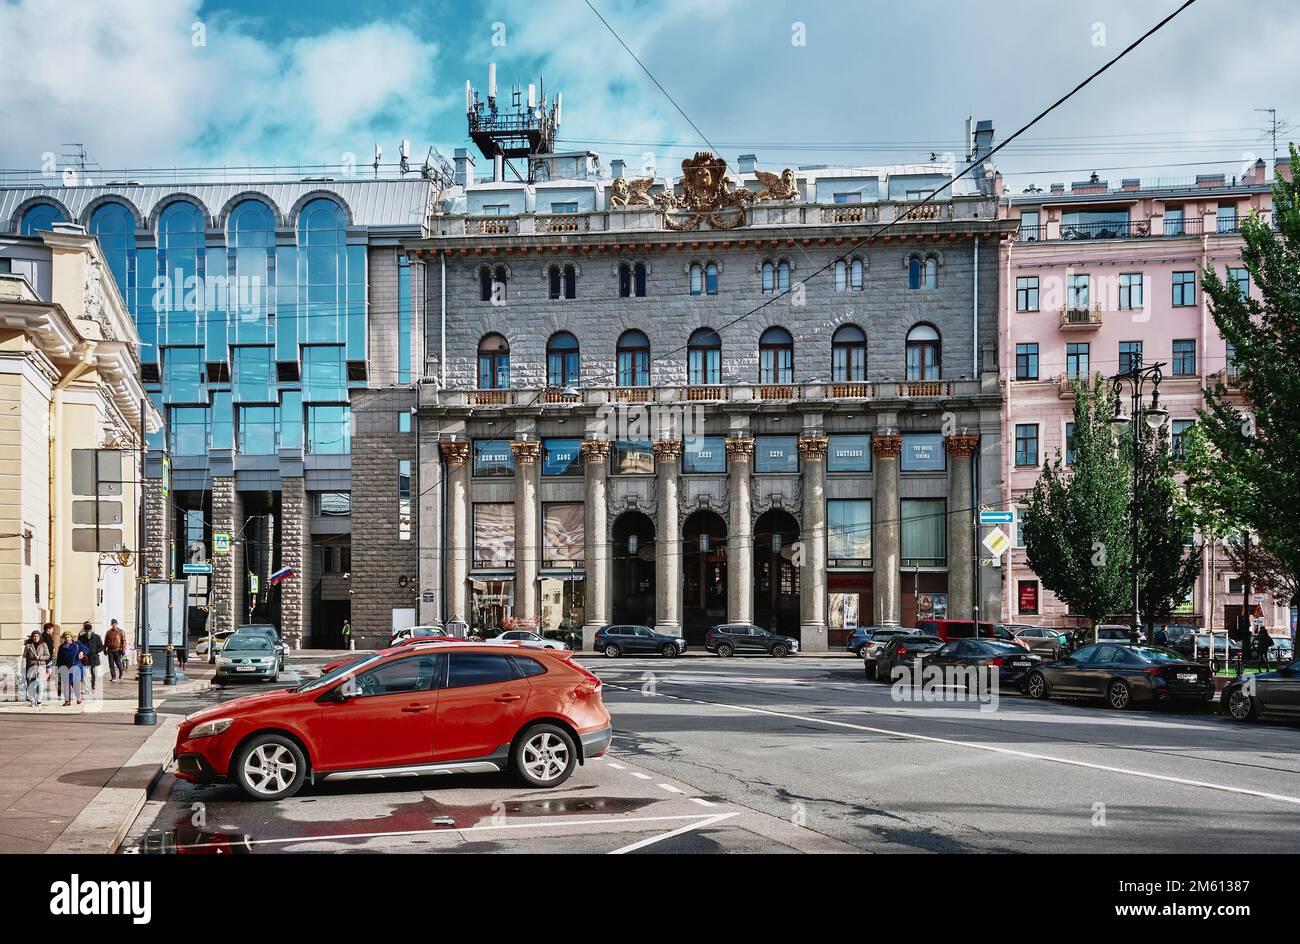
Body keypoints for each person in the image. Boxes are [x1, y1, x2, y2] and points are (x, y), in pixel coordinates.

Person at [55, 632, 88, 706]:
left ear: (71, 637)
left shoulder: (77, 644)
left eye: (68, 637)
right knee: (66, 684)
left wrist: (82, 652)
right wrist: (58, 669)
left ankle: (79, 697)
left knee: (76, 684)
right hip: (65, 668)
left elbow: (86, 649)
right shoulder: (61, 647)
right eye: (66, 637)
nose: (67, 638)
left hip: (76, 667)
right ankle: (67, 701)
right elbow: (59, 659)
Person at [22, 631, 50, 706]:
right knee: (30, 683)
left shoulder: (44, 645)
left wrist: (40, 657)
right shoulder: (28, 646)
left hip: (41, 666)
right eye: (34, 636)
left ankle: (39, 698)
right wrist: (23, 668)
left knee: (40, 682)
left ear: (40, 637)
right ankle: (32, 700)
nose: (35, 638)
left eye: (37, 636)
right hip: (31, 666)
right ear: (32, 637)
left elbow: (47, 656)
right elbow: (24, 658)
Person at [79, 622, 104, 692]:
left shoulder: (97, 637)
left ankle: (93, 682)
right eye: (86, 630)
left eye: (89, 630)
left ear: (91, 630)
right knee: (85, 675)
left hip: (94, 658)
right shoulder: (81, 638)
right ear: (84, 630)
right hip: (85, 658)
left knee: (95, 674)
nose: (88, 632)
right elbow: (79, 647)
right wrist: (82, 652)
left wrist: (95, 651)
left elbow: (101, 647)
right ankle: (86, 688)